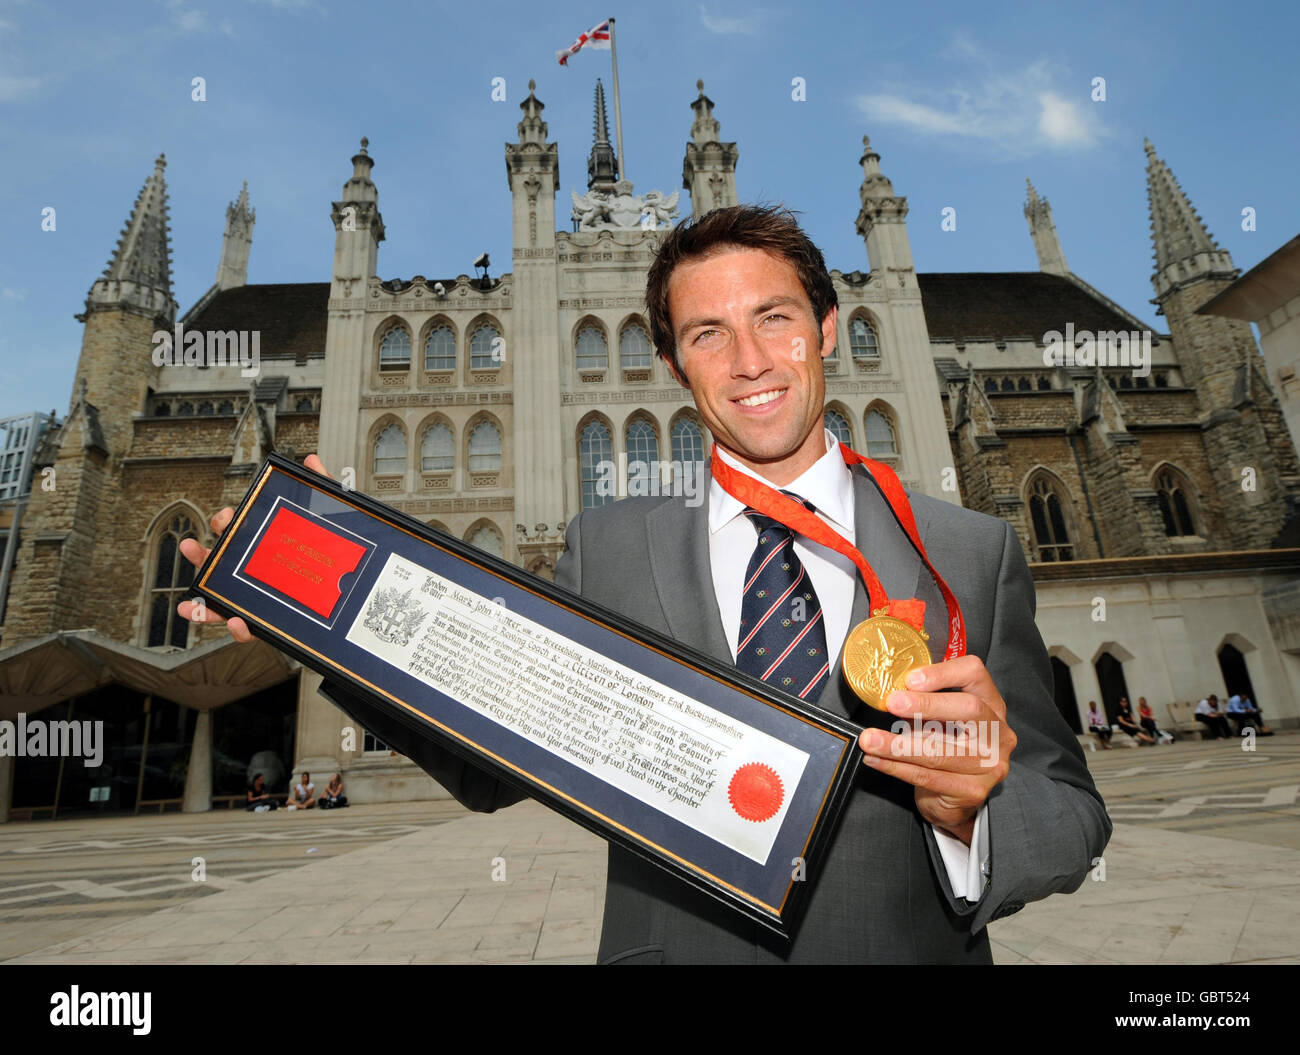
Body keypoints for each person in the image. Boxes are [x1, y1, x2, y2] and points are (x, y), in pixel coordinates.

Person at [181, 204, 1111, 964]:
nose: (748, 362)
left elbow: (1069, 810)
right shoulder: (607, 550)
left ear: (828, 327)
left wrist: (969, 817)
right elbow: (489, 762)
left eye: (775, 318)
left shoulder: (967, 552)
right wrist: (323, 620)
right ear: (672, 363)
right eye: (709, 334)